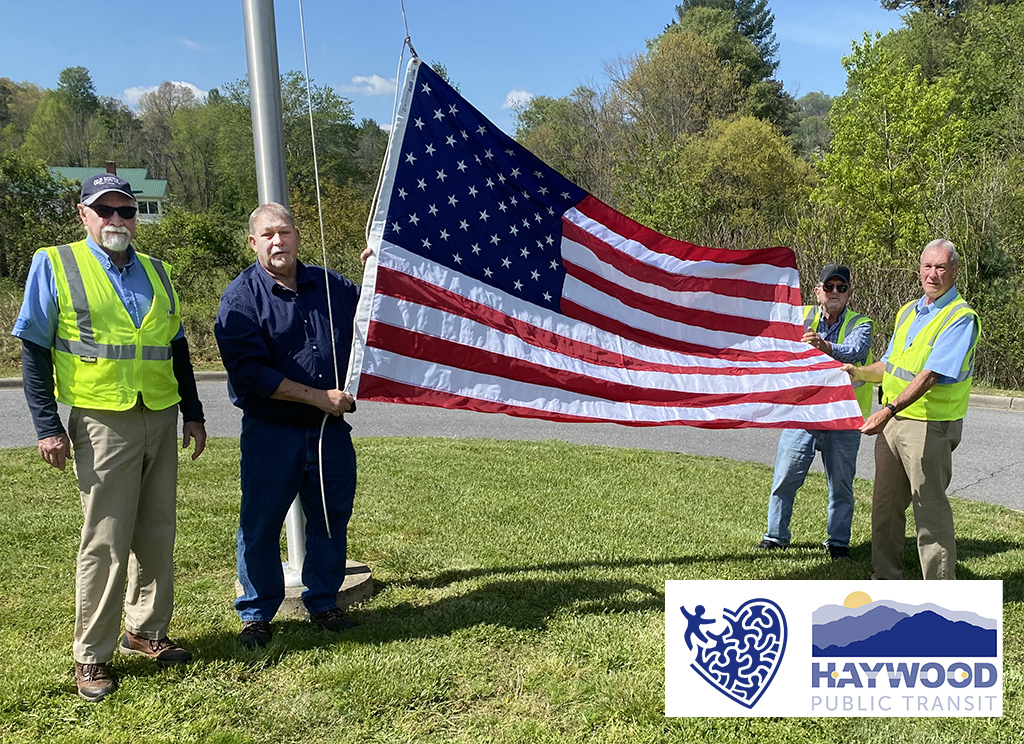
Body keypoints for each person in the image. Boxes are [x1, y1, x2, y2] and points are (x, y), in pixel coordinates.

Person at [11, 173, 207, 702]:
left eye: (127, 211)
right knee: (106, 540)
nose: (118, 220)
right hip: (101, 419)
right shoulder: (54, 263)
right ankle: (90, 656)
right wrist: (48, 426)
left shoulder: (159, 272)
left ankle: (144, 632)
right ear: (84, 214)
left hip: (160, 414)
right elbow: (33, 350)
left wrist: (193, 412)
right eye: (107, 211)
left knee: (157, 532)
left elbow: (178, 350)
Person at [214, 202, 360, 648]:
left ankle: (323, 601)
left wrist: (376, 269)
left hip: (327, 434)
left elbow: (375, 312)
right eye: (268, 235)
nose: (279, 241)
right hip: (271, 434)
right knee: (260, 525)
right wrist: (320, 397)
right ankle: (256, 614)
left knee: (330, 519)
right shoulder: (240, 297)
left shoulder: (331, 285)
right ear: (253, 243)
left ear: (297, 236)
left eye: (285, 232)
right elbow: (251, 376)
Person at [845, 239, 980, 580]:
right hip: (894, 424)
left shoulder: (960, 318)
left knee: (929, 512)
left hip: (929, 425)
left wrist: (886, 410)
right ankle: (886, 579)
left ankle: (940, 596)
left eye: (941, 267)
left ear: (954, 271)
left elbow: (930, 375)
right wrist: (858, 373)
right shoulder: (908, 310)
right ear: (919, 269)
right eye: (927, 266)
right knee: (886, 508)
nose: (932, 274)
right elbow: (890, 365)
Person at [758, 264, 873, 562]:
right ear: (818, 290)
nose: (835, 292)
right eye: (830, 287)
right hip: (802, 414)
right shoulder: (799, 317)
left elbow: (856, 352)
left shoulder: (861, 323)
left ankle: (838, 543)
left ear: (849, 293)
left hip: (842, 417)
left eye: (842, 288)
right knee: (784, 479)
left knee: (842, 486)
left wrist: (824, 346)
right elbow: (777, 347)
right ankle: (775, 537)